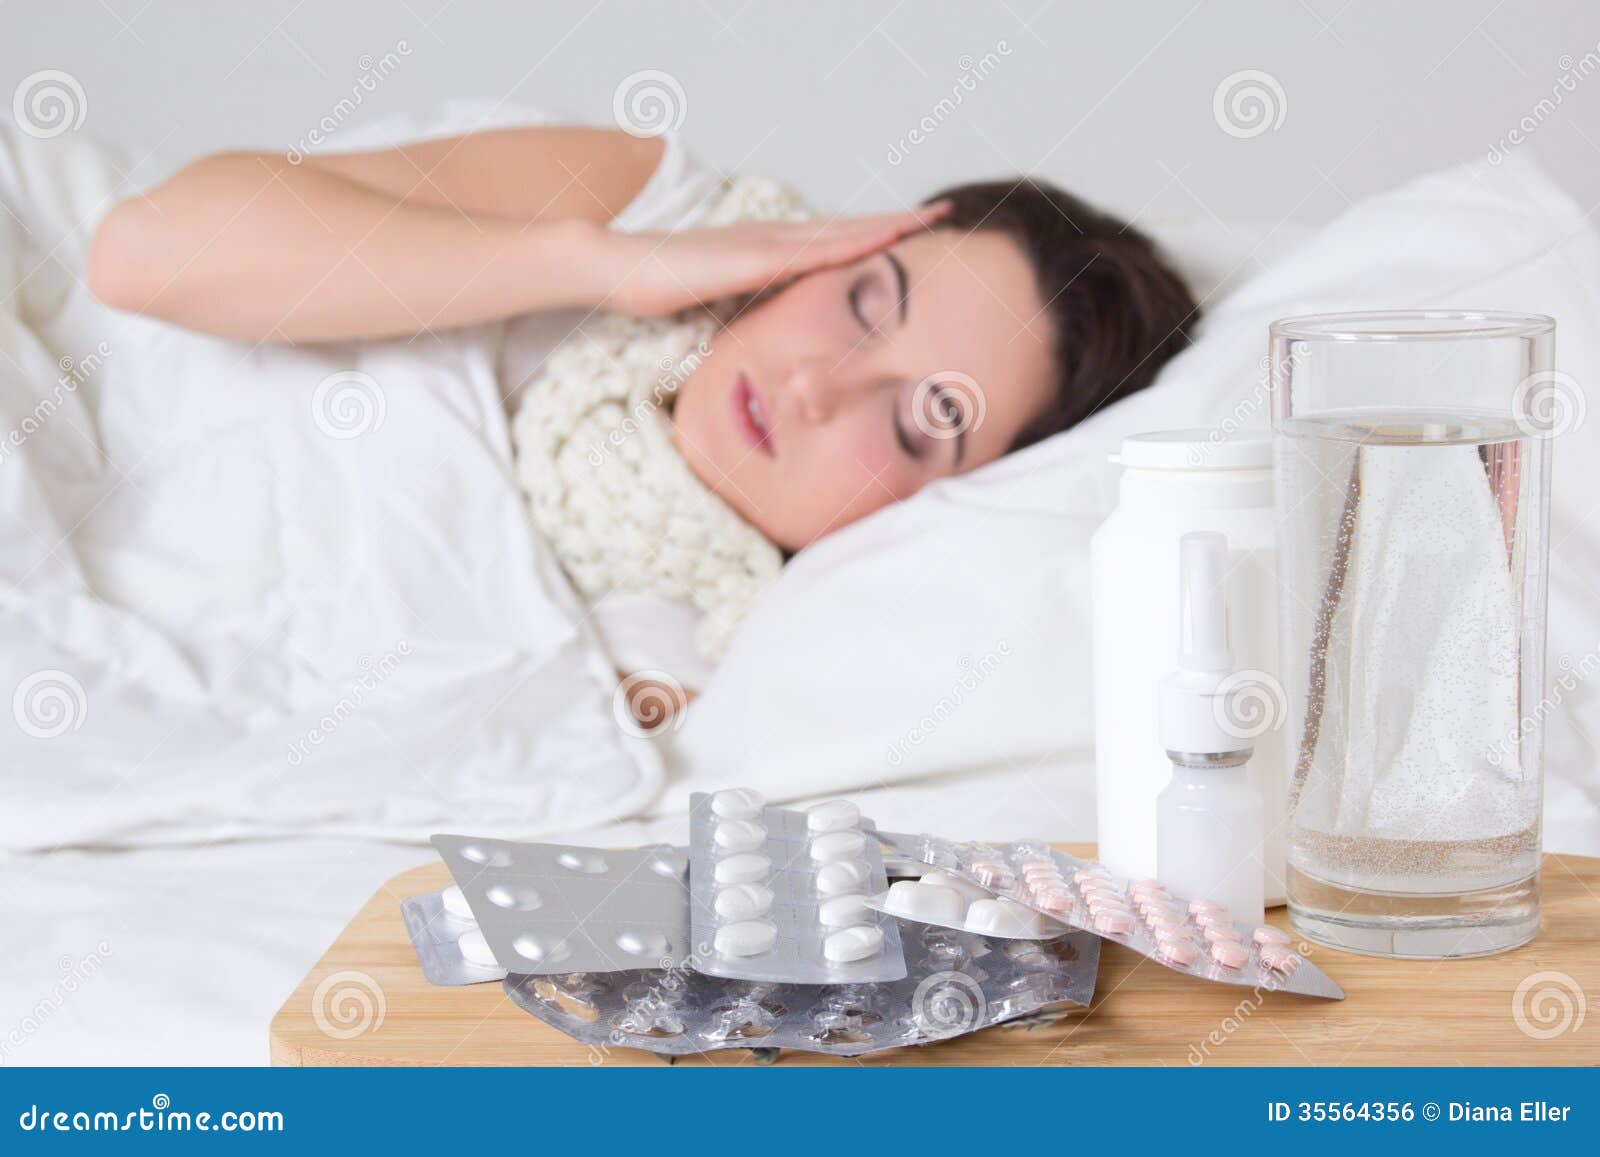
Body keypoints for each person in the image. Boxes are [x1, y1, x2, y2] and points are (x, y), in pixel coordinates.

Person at [85, 124, 1199, 722]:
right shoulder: (653, 201)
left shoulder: (723, 655)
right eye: (867, 299)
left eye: (926, 418)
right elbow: (144, 252)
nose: (819, 387)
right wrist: (603, 263)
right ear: (845, 244)